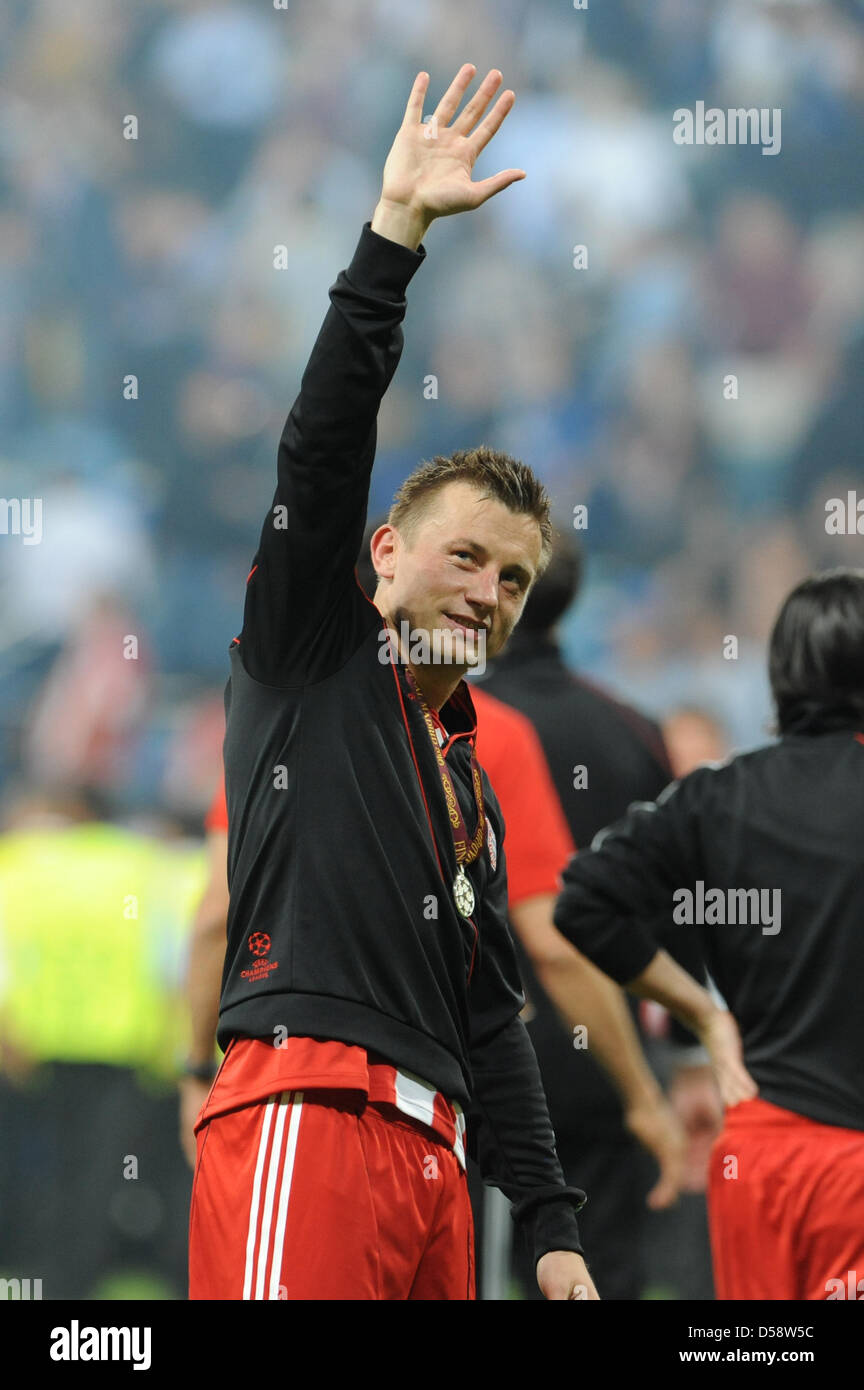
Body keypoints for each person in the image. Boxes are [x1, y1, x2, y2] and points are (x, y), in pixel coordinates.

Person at [187, 63, 616, 1302]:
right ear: (383, 555)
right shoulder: (313, 648)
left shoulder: (464, 775)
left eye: (517, 582)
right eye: (466, 557)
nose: (490, 594)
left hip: (439, 1164)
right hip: (307, 1111)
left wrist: (550, 1222)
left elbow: (492, 1016)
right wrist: (395, 240)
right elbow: (320, 450)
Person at [551, 568, 864, 1300]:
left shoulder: (715, 796)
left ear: (782, 676)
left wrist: (703, 1014)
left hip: (753, 1157)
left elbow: (583, 903)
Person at [476, 530, 720, 1298]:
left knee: (468, 1270)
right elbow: (675, 903)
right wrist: (683, 1056)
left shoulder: (449, 720)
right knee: (598, 1273)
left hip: (476, 1043)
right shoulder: (633, 732)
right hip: (600, 1052)